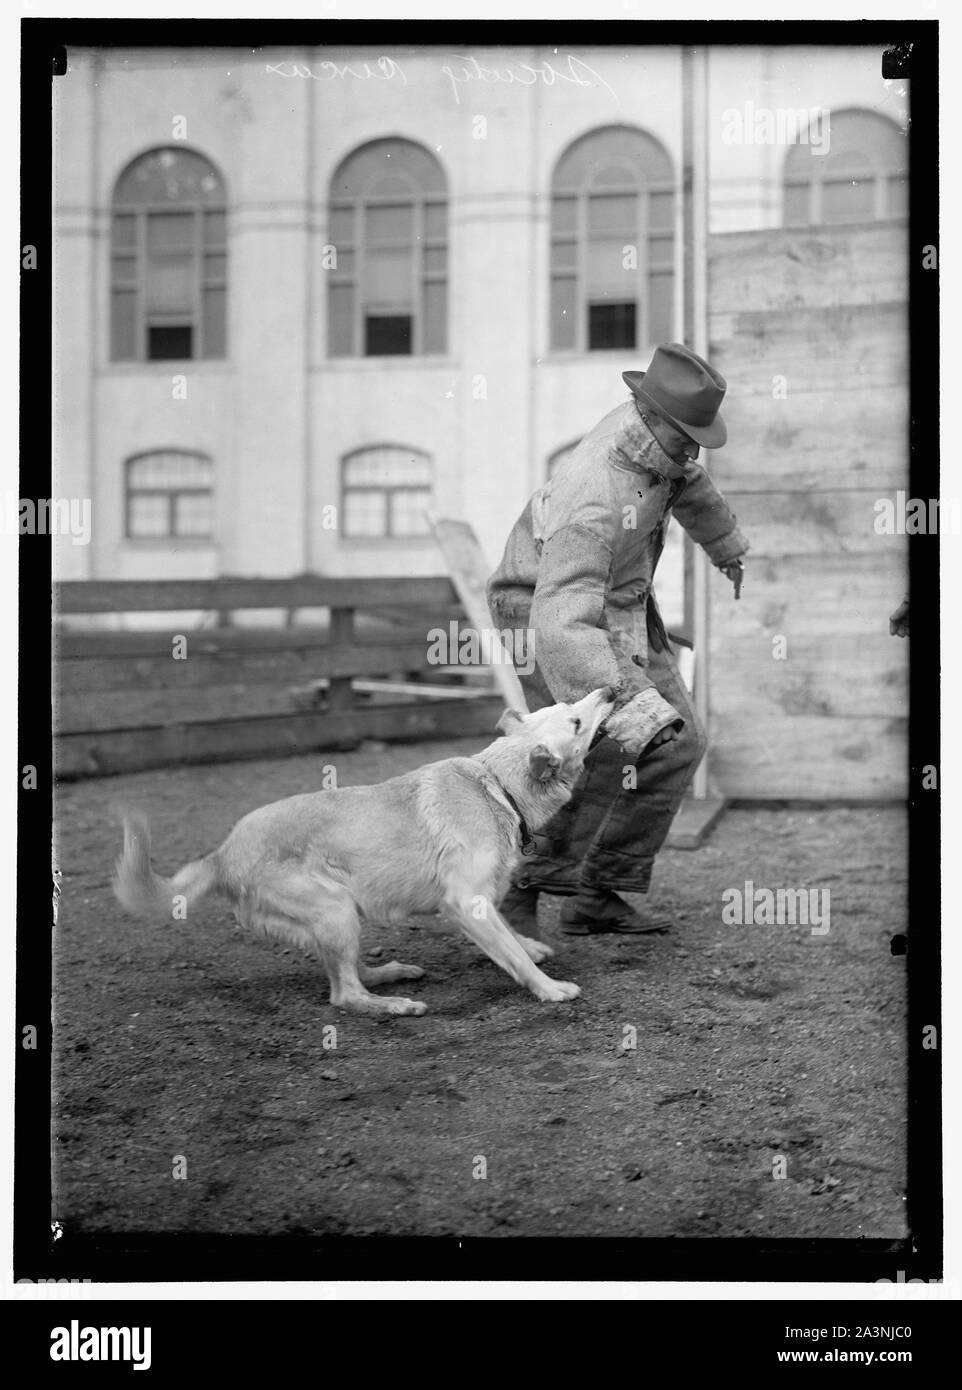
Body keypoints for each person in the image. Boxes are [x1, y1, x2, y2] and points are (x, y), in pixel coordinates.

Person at [486, 342, 749, 937]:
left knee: (678, 744)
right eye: (687, 435)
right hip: (541, 610)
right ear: (650, 416)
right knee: (600, 748)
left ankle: (599, 894)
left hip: (619, 604)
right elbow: (561, 617)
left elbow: (691, 482)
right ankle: (520, 894)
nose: (693, 447)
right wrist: (616, 705)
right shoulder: (593, 495)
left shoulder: (659, 446)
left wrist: (725, 545)